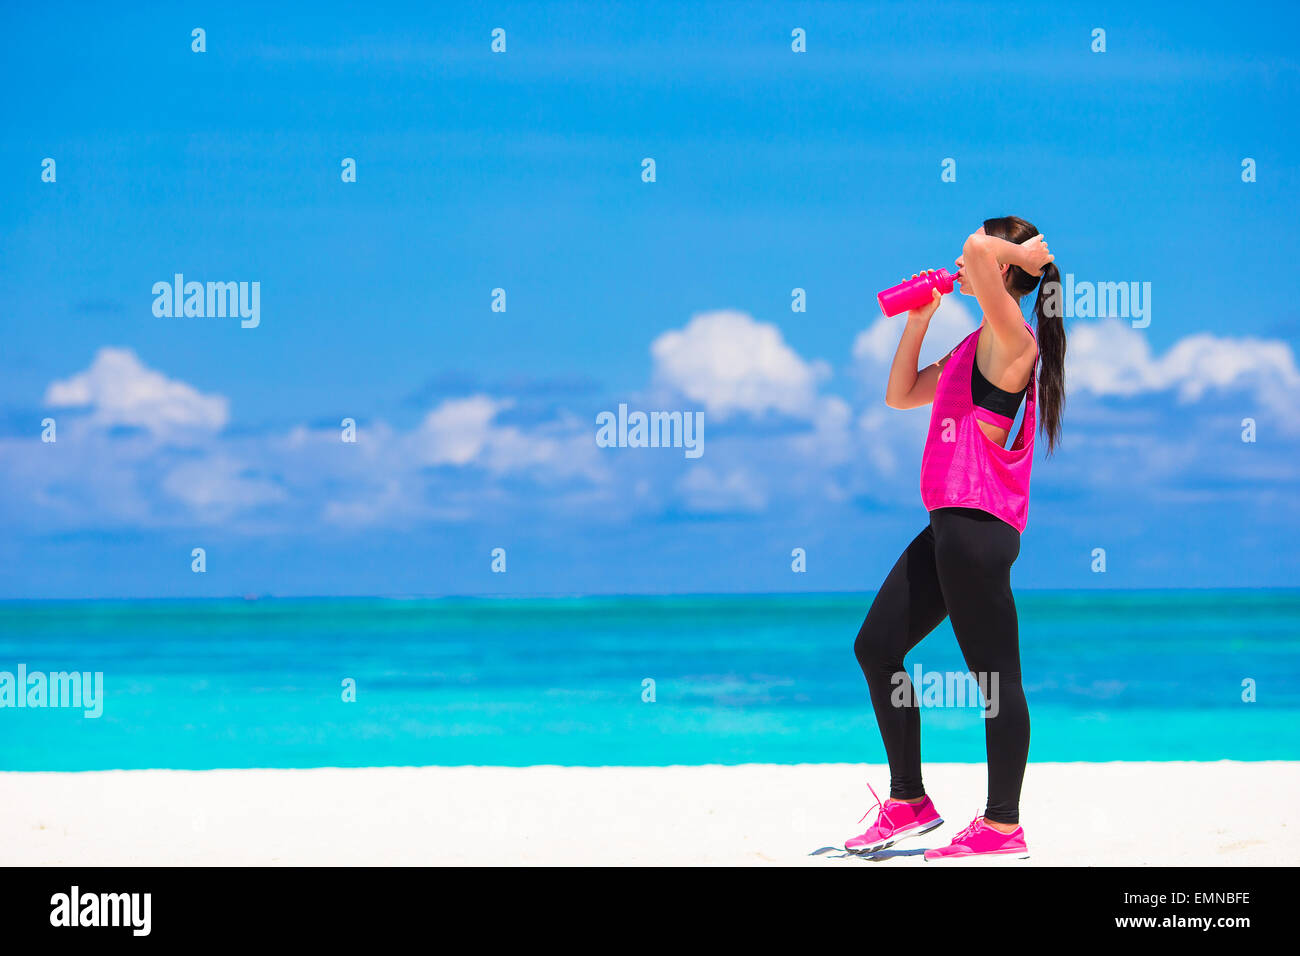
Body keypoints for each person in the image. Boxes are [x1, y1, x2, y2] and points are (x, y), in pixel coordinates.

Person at [845, 216, 1064, 861]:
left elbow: (975, 250)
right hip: (948, 526)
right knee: (876, 646)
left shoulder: (1012, 335)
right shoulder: (975, 344)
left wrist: (1012, 251)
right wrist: (918, 320)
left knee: (995, 678)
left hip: (978, 528)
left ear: (1002, 270)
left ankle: (1001, 826)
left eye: (976, 257)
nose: (960, 262)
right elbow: (901, 393)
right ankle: (909, 802)